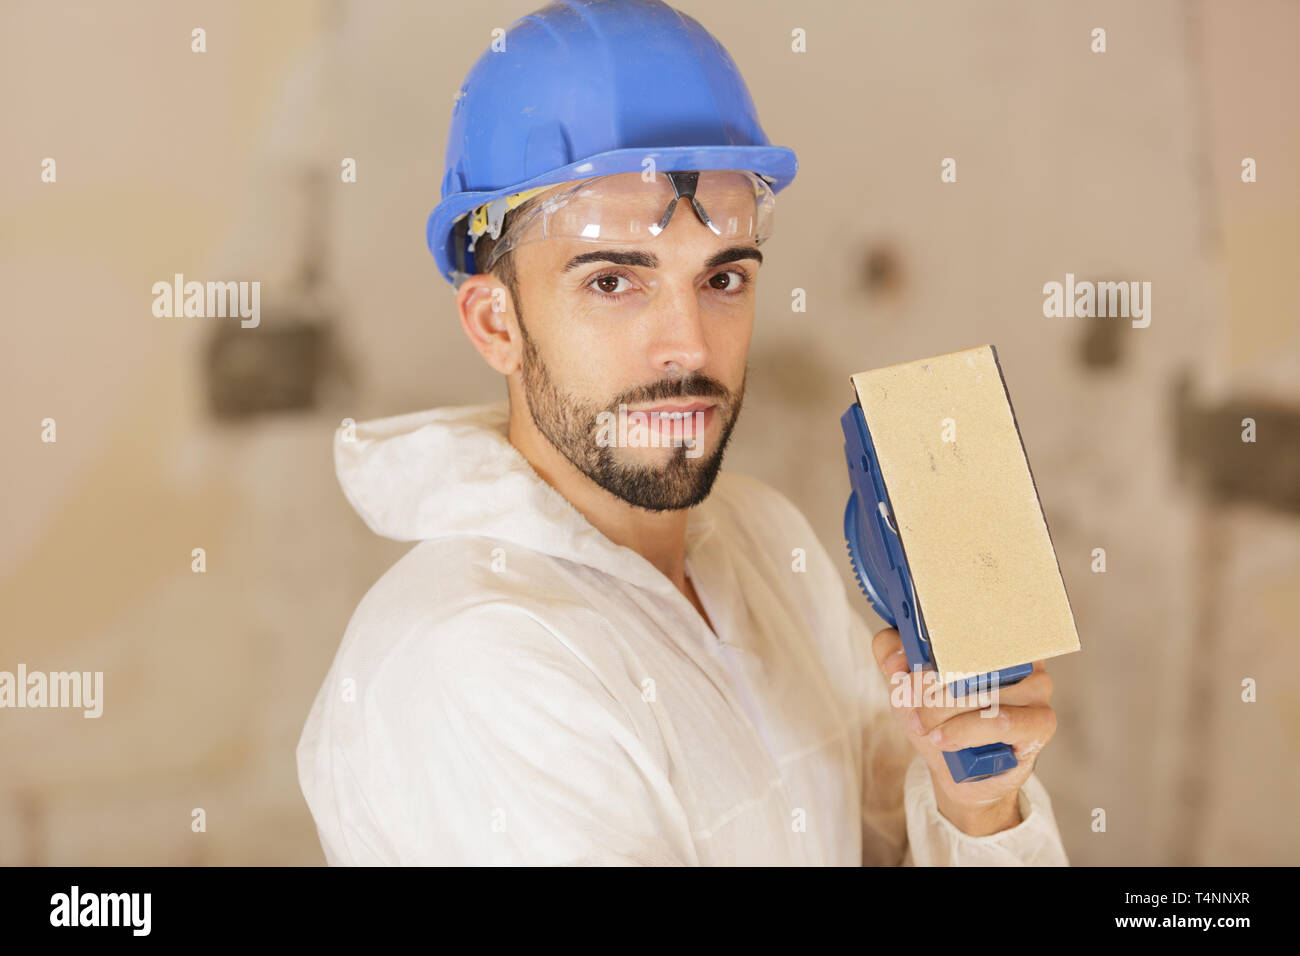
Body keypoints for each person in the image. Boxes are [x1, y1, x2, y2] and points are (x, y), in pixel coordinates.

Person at [297, 0, 1069, 865]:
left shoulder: (763, 540)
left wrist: (979, 808)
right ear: (494, 323)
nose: (690, 346)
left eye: (723, 278)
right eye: (613, 283)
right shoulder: (473, 659)